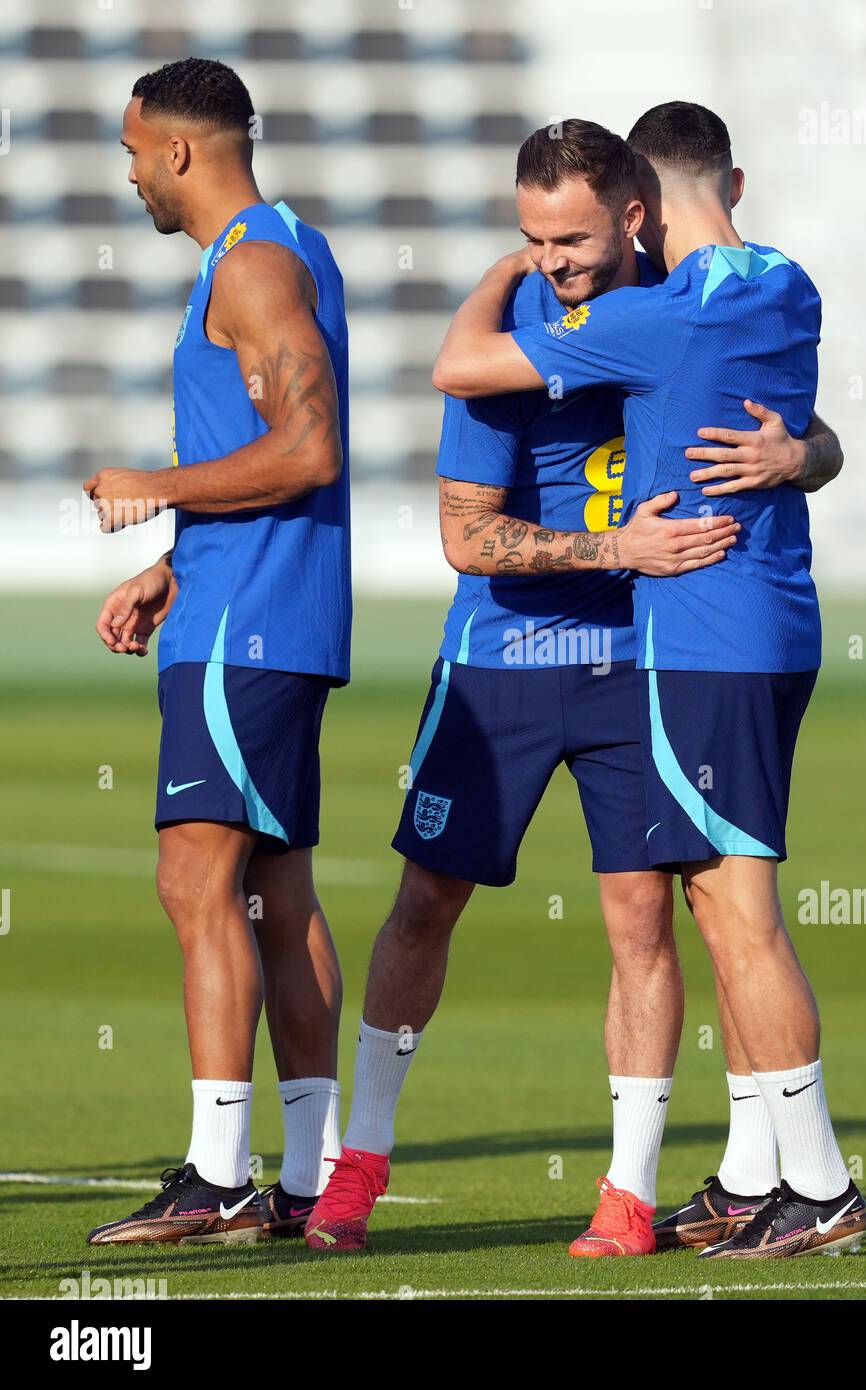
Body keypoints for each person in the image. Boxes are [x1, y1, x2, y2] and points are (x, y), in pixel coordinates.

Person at [305, 120, 842, 1255]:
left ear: (633, 216)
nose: (553, 260)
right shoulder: (518, 335)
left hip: (639, 662)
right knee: (426, 904)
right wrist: (612, 553)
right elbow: (465, 537)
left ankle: (631, 1191)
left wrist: (803, 453)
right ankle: (357, 1163)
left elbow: (795, 423)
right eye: (531, 239)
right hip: (501, 659)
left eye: (571, 238)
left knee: (647, 917)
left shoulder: (683, 311)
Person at [83, 57, 350, 1245]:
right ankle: (310, 1174)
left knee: (196, 882)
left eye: (135, 149)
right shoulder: (281, 250)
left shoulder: (248, 266)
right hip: (251, 608)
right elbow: (278, 455)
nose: (131, 171)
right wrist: (174, 560)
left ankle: (219, 1173)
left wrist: (156, 491)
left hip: (249, 627)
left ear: (183, 150)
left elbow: (307, 450)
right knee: (274, 889)